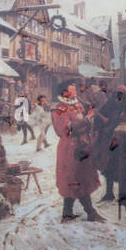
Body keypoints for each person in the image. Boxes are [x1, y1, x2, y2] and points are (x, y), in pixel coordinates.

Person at [51, 84, 104, 223]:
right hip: (70, 149)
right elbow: (65, 129)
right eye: (72, 88)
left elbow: (85, 121)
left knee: (79, 178)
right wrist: (86, 119)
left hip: (83, 146)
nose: (75, 90)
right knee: (75, 179)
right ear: (65, 92)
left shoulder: (78, 105)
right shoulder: (60, 109)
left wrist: (91, 118)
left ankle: (67, 214)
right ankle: (90, 213)